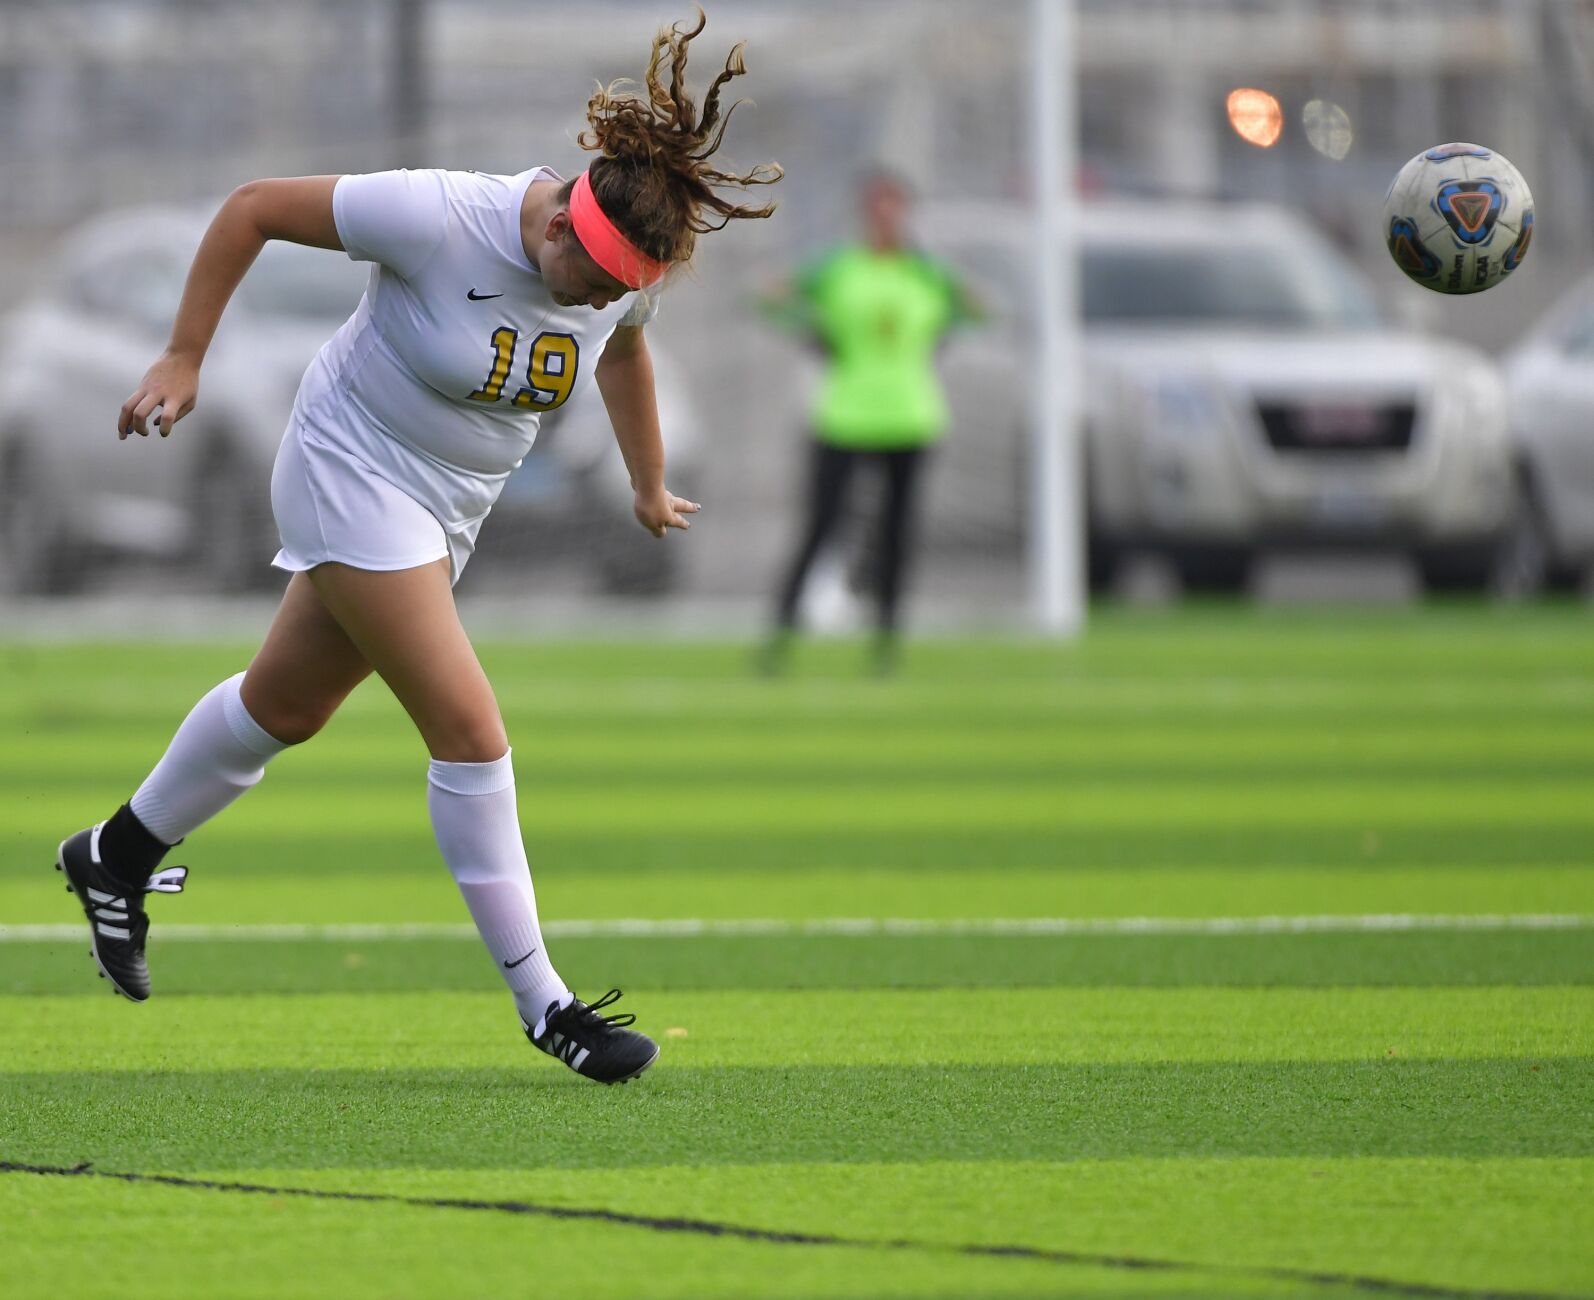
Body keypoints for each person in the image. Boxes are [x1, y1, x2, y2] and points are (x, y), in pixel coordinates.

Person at [52, 9, 779, 1086]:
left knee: (284, 708)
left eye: (629, 287)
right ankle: (549, 1006)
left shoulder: (615, 283)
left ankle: (115, 854)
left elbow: (624, 355)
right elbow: (251, 211)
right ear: (558, 228)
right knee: (472, 730)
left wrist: (645, 481)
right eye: (597, 278)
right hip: (349, 467)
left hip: (447, 506)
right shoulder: (438, 214)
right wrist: (182, 356)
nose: (605, 298)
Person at [758, 169, 976, 675]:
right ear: (864, 211)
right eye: (878, 204)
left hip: (909, 415)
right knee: (821, 528)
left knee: (896, 534)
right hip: (845, 415)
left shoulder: (926, 272)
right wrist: (809, 330)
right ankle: (781, 634)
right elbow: (769, 295)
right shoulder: (837, 266)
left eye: (895, 205)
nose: (886, 214)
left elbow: (977, 309)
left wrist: (942, 337)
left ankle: (887, 640)